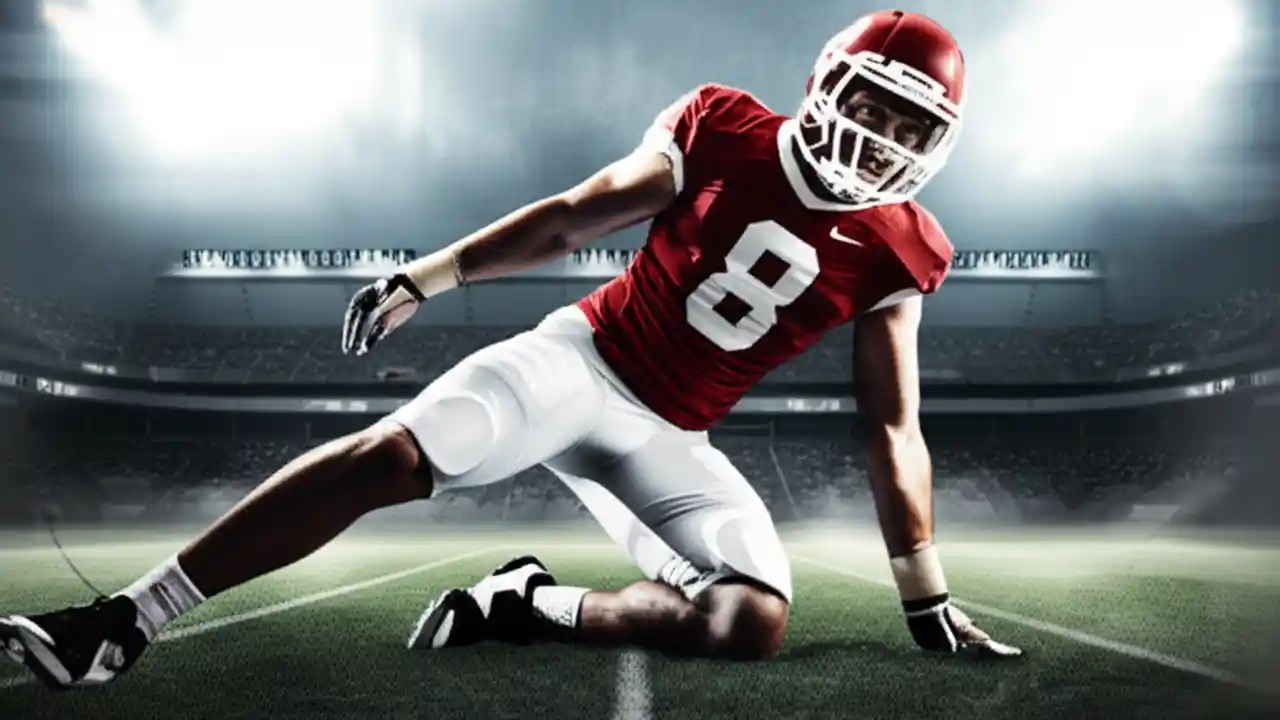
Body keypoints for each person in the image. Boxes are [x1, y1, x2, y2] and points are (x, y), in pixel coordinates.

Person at [0, 9, 1018, 690]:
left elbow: (892, 427)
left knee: (750, 622)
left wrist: (923, 600)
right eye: (870, 105)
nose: (879, 138)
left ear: (934, 142)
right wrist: (426, 275)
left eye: (906, 125)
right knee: (390, 458)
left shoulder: (904, 247)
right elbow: (576, 218)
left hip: (673, 435)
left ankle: (524, 604)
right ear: (825, 84)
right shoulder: (722, 125)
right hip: (579, 363)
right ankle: (123, 622)